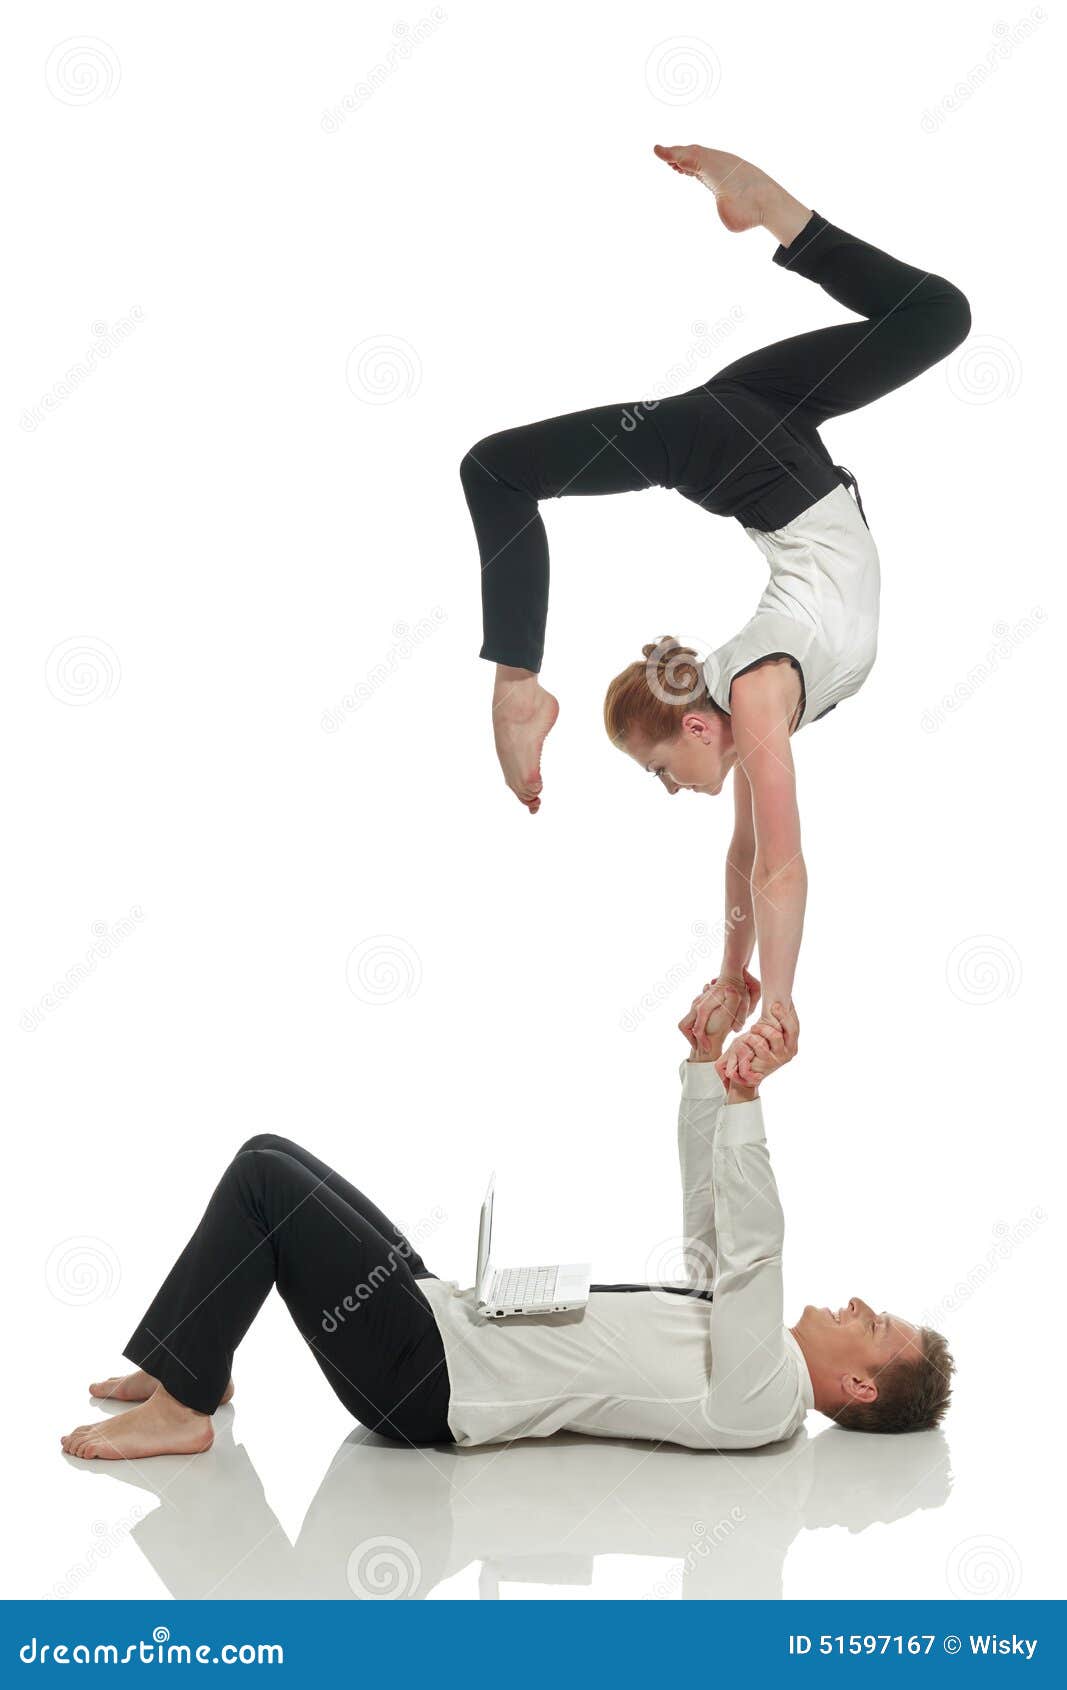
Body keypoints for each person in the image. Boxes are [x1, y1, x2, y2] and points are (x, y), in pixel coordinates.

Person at [460, 145, 971, 1042]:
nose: (668, 788)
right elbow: (748, 858)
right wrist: (734, 982)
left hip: (743, 454)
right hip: (769, 432)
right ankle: (769, 210)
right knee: (937, 315)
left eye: (658, 771)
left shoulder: (754, 691)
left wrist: (778, 1000)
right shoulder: (744, 706)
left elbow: (779, 860)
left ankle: (516, 686)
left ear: (695, 726)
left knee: (497, 471)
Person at [60, 999, 953, 1462]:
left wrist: (751, 1099)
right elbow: (711, 1218)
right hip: (446, 1323)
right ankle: (192, 1363)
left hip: (419, 1384)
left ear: (859, 1390)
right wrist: (700, 1066)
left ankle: (182, 1409)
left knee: (261, 1185)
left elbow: (757, 1250)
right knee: (268, 1150)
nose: (859, 1305)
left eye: (872, 1328)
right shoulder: (753, 1353)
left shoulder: (764, 1404)